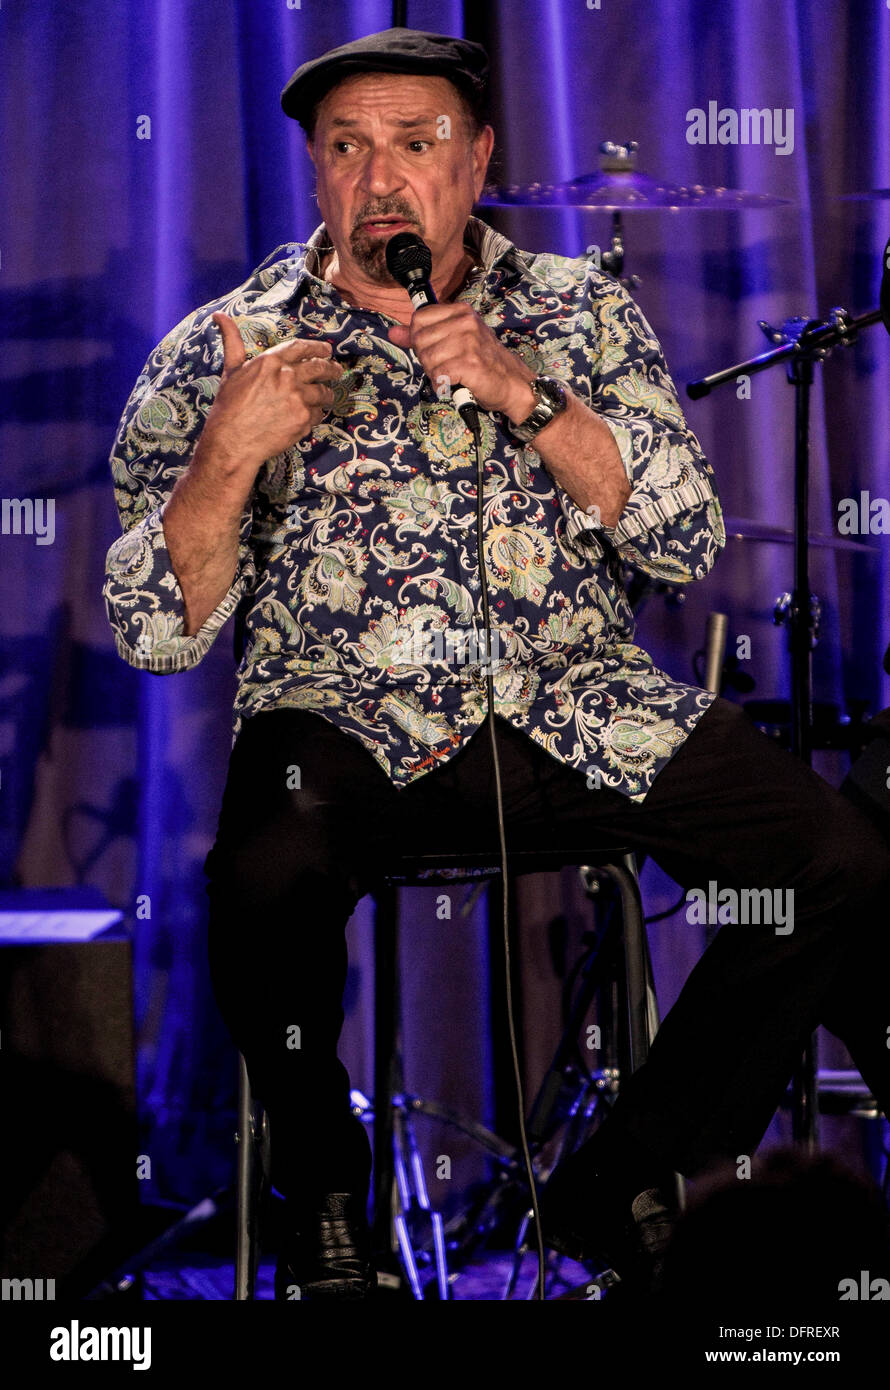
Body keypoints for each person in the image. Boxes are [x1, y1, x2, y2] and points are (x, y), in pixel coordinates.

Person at [103, 28, 890, 1300]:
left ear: (474, 163)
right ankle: (324, 1189)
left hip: (574, 705)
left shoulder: (577, 309)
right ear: (316, 171)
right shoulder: (224, 345)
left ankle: (626, 1168)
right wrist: (226, 455)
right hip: (340, 723)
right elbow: (154, 630)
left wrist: (529, 396)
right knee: (258, 872)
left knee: (835, 858)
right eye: (347, 148)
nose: (379, 179)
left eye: (413, 145)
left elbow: (684, 536)